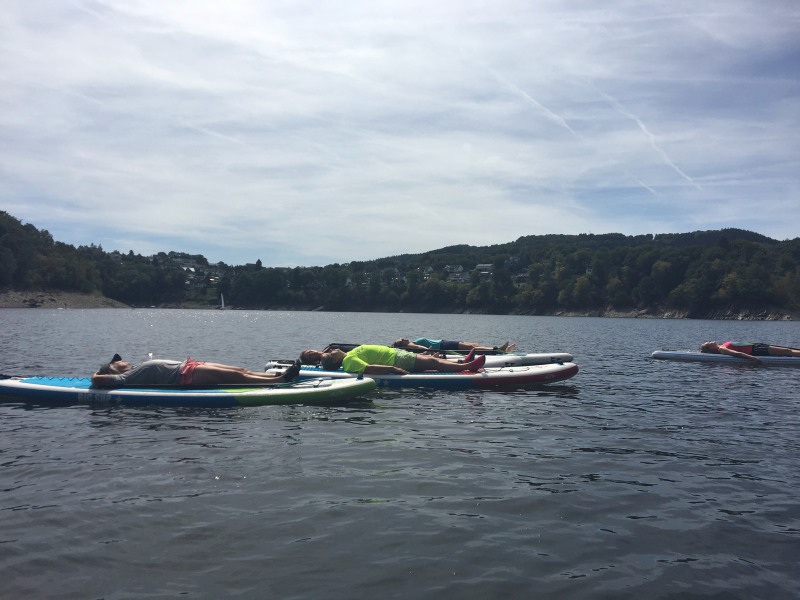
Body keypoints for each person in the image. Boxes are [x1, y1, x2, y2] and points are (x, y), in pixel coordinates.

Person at [91, 353, 300, 387]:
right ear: (112, 369)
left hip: (190, 366)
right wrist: (97, 375)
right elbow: (98, 381)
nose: (123, 360)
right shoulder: (126, 377)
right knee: (236, 377)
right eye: (117, 361)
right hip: (186, 376)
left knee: (241, 368)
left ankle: (274, 375)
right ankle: (279, 381)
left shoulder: (134, 370)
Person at [316, 344, 486, 375]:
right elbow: (369, 368)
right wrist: (392, 369)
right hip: (397, 361)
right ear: (334, 360)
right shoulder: (348, 362)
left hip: (396, 355)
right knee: (433, 363)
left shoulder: (348, 355)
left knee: (431, 361)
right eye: (331, 354)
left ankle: (461, 362)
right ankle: (469, 367)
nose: (333, 350)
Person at [699, 341, 800, 363]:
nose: (710, 341)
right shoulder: (721, 349)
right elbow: (736, 354)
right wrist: (752, 358)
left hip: (756, 345)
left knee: (787, 350)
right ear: (711, 348)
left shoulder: (721, 345)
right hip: (756, 350)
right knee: (787, 351)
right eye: (708, 343)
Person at [393, 338, 517, 354]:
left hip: (443, 343)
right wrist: (427, 350)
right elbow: (418, 348)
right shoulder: (410, 345)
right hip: (443, 345)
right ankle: (498, 350)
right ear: (401, 344)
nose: (403, 338)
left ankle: (497, 349)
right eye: (400, 340)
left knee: (472, 344)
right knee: (471, 347)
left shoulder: (411, 342)